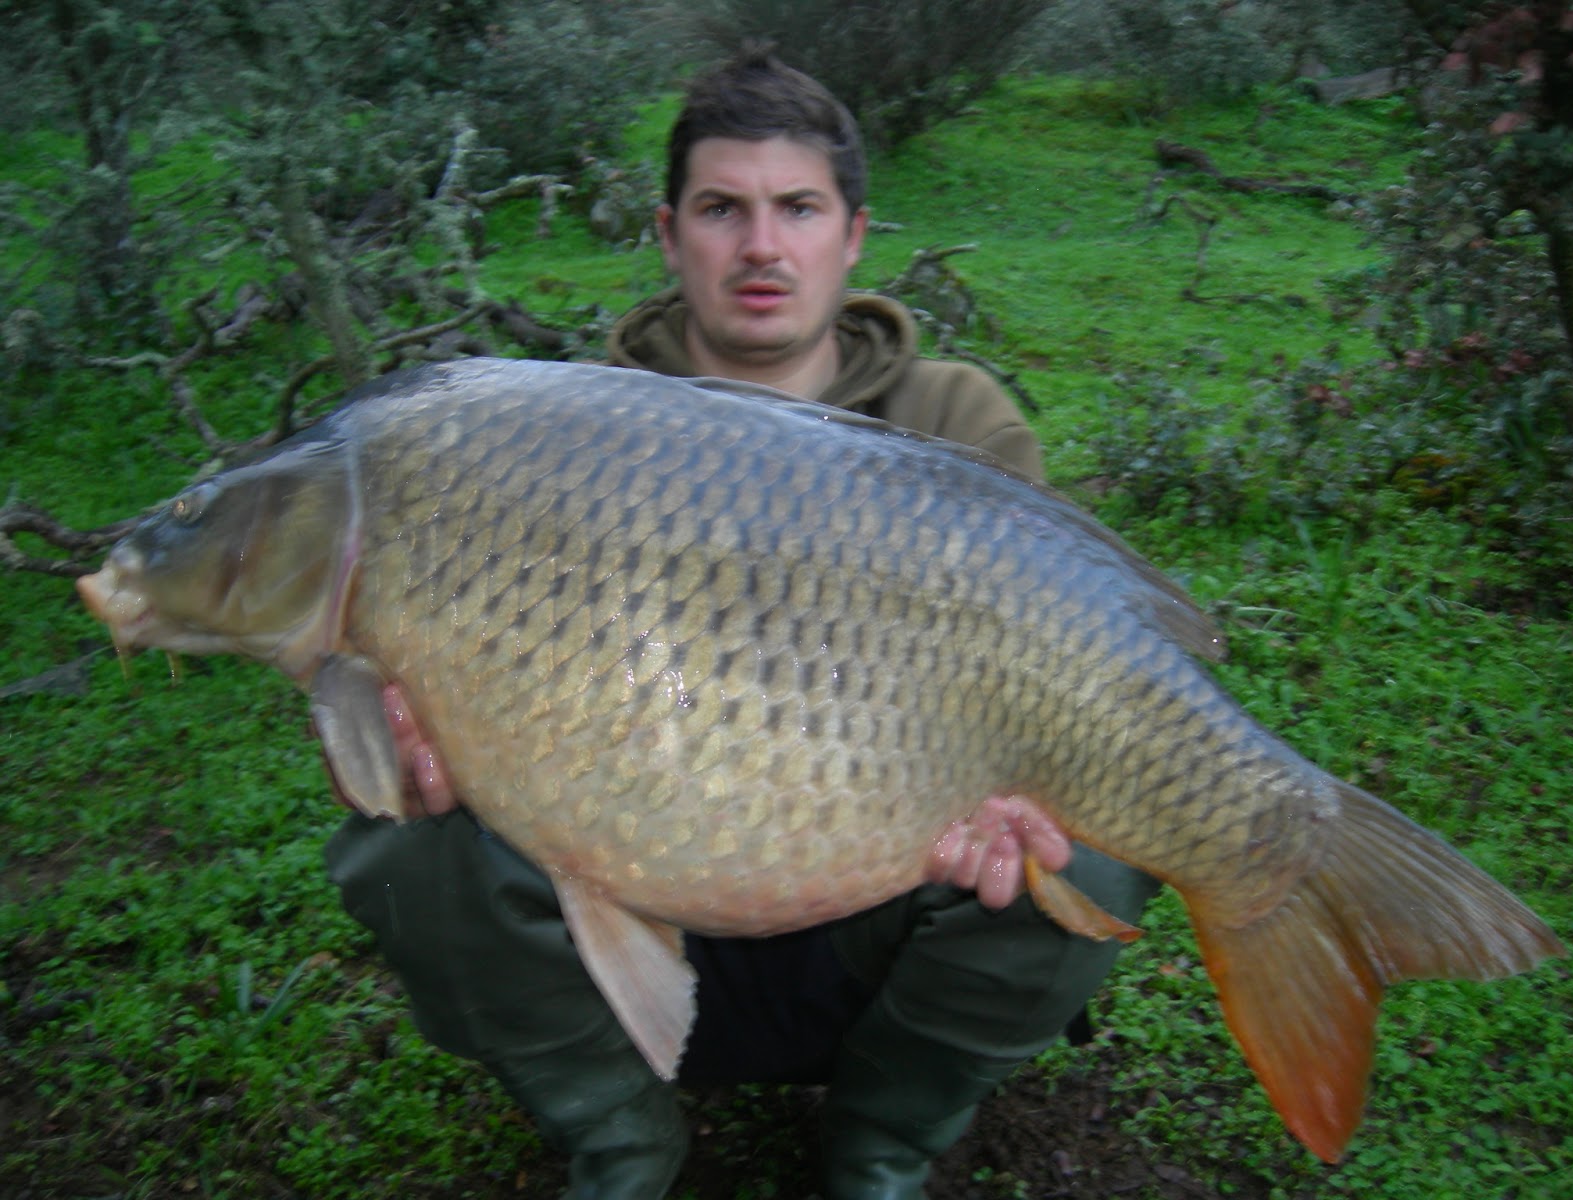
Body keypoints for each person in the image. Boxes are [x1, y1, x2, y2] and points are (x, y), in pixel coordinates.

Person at [324, 47, 1159, 1200]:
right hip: (613, 893)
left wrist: (1012, 805)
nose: (760, 247)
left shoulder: (954, 421)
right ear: (670, 234)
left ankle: (882, 1145)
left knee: (1099, 850)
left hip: (874, 907)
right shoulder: (555, 438)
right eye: (722, 209)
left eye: (796, 209)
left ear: (852, 234)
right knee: (395, 838)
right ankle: (620, 1140)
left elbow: (1061, 669)